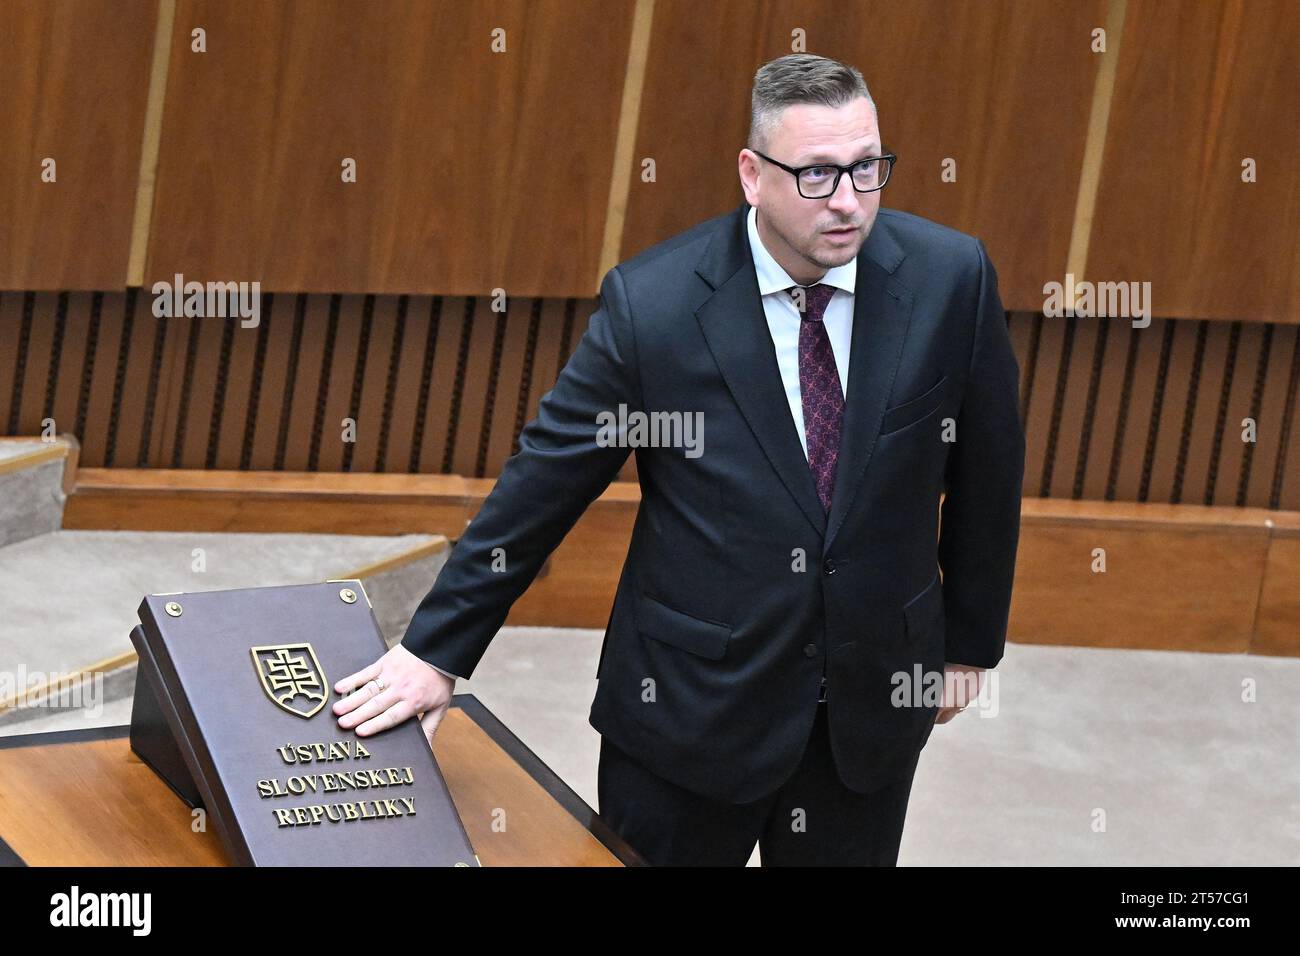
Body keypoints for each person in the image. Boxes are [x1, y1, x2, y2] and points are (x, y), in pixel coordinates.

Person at [332, 52, 1025, 866]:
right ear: (751, 173)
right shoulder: (654, 308)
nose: (847, 202)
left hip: (867, 716)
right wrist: (435, 651)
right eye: (816, 175)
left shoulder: (950, 278)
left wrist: (969, 644)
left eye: (867, 169)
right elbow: (544, 485)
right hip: (689, 719)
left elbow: (987, 471)